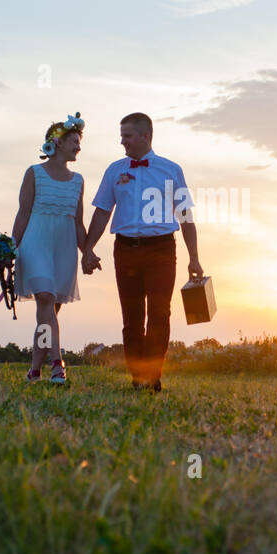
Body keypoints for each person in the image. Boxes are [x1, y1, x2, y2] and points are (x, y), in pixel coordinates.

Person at [83, 112, 203, 392]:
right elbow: (102, 212)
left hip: (162, 249)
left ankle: (153, 376)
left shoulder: (172, 170)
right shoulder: (114, 170)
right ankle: (138, 377)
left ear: (145, 136)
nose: (122, 141)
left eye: (127, 135)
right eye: (122, 135)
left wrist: (194, 257)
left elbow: (185, 216)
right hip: (125, 249)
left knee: (160, 314)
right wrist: (88, 248)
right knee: (132, 317)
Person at [12, 113, 100, 384]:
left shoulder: (79, 181)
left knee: (48, 314)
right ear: (57, 142)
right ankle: (57, 364)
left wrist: (87, 252)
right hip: (35, 244)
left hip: (63, 249)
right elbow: (23, 213)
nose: (78, 147)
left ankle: (33, 371)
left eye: (79, 142)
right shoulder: (34, 173)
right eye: (74, 141)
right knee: (46, 300)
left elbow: (78, 223)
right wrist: (11, 250)